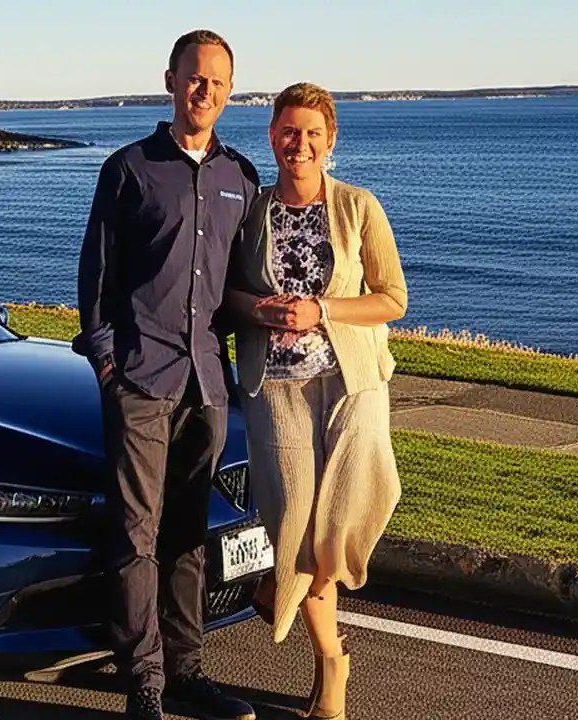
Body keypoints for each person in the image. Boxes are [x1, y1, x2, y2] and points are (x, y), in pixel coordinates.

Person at [75, 29, 260, 720]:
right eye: (193, 77)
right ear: (170, 80)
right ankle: (144, 681)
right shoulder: (129, 169)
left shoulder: (240, 178)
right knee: (137, 534)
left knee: (190, 534)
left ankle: (187, 670)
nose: (203, 89)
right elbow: (96, 278)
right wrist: (106, 363)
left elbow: (243, 288)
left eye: (216, 80)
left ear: (229, 91)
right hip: (141, 378)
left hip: (207, 384)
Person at [224, 82, 408, 719]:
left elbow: (392, 299)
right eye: (287, 131)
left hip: (352, 386)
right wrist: (263, 307)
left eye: (311, 133)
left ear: (330, 141)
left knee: (344, 520)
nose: (297, 144)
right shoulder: (252, 210)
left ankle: (299, 601)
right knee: (294, 524)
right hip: (276, 388)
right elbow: (226, 297)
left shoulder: (359, 207)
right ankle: (331, 657)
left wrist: (321, 310)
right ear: (271, 133)